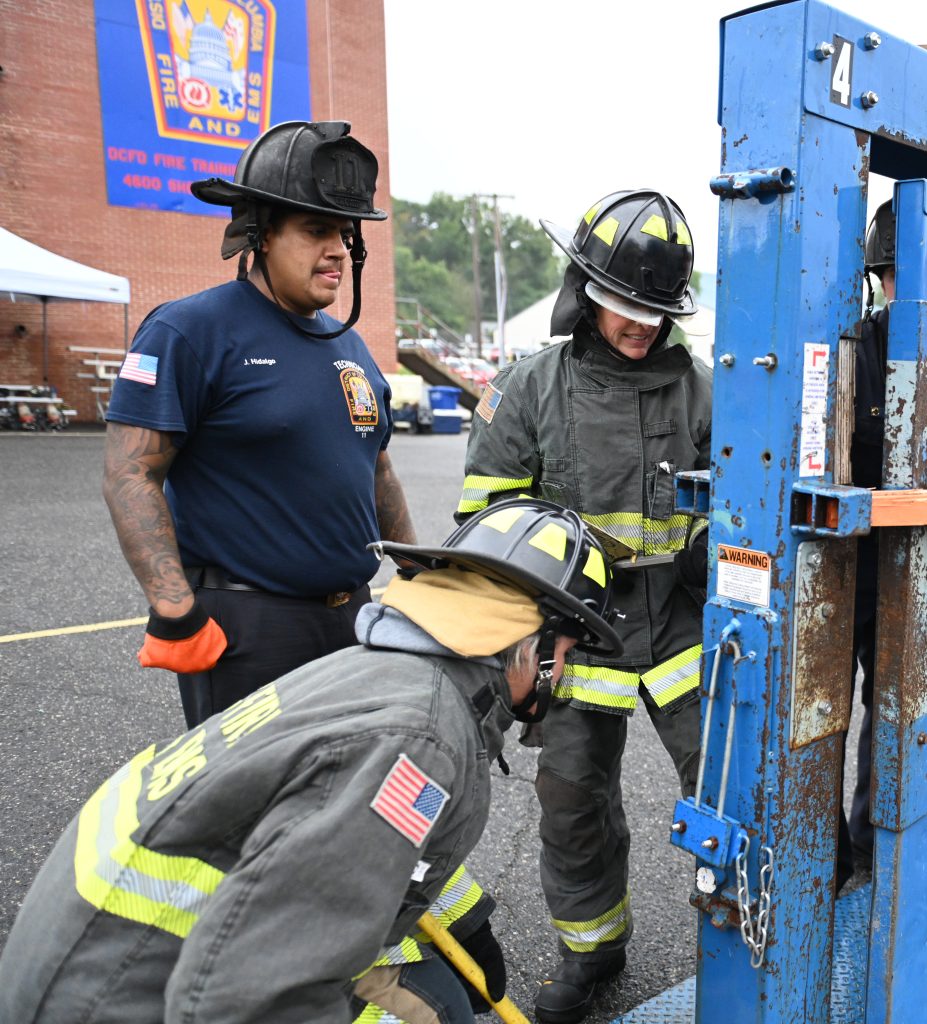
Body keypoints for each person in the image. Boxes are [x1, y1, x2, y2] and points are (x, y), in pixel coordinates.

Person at [0, 498, 622, 1024]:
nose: (563, 674)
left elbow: (364, 844)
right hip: (114, 995)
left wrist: (465, 920)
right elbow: (250, 994)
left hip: (92, 954)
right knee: (439, 1010)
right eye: (565, 649)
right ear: (528, 646)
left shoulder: (378, 672)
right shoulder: (419, 739)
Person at [458, 189, 710, 1024]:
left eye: (655, 309)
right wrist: (535, 633)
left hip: (680, 625)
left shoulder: (703, 393)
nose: (640, 324)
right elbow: (485, 523)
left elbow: (739, 512)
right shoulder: (531, 387)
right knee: (571, 801)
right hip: (575, 635)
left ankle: (754, 940)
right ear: (585, 291)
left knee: (730, 788)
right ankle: (592, 950)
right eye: (624, 304)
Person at [102, 120, 416, 730]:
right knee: (247, 818)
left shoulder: (350, 346)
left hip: (353, 619)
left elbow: (376, 467)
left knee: (336, 808)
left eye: (345, 232)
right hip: (246, 630)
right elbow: (129, 472)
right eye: (316, 230)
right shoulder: (190, 332)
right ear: (261, 234)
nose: (337, 249)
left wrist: (418, 575)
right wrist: (176, 610)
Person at [836, 200, 894, 885]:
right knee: (819, 720)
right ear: (878, 277)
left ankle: (874, 857)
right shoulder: (851, 351)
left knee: (894, 726)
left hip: (913, 579)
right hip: (845, 573)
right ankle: (827, 862)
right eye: (895, 273)